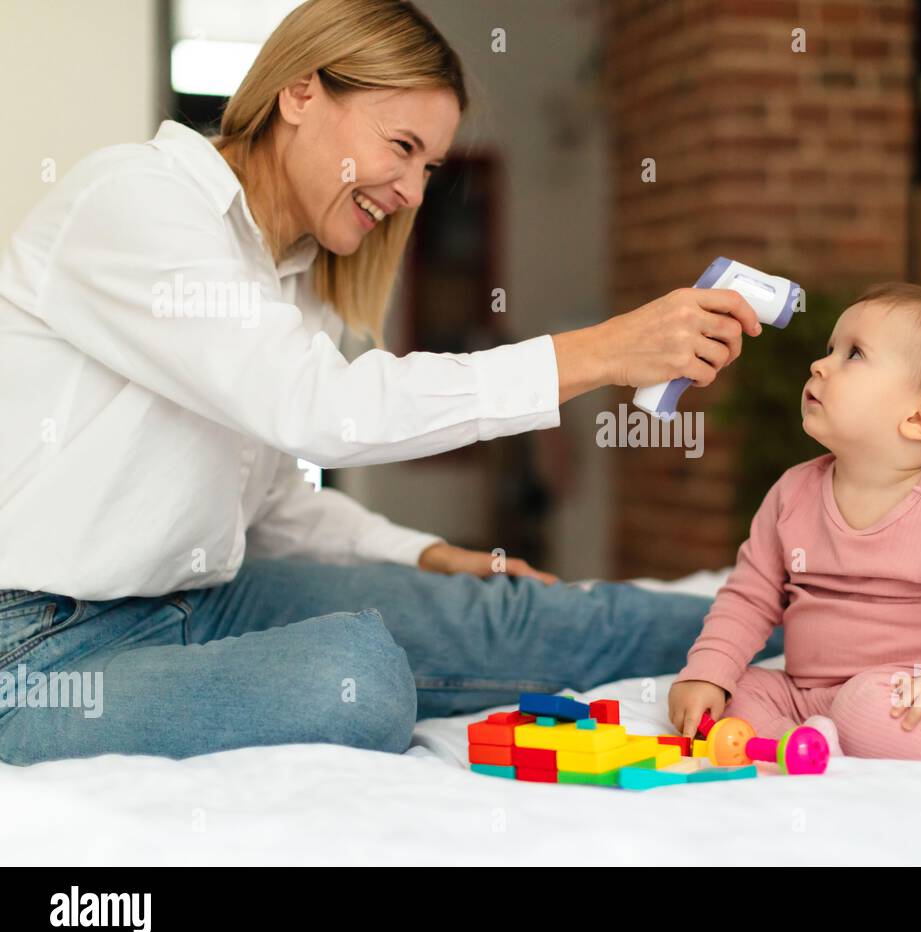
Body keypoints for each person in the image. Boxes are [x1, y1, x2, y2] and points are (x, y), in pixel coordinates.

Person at [0, 0, 780, 766]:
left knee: (519, 615)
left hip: (193, 601)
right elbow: (321, 411)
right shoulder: (139, 201)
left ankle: (830, 624)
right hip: (34, 652)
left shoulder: (299, 281)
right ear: (300, 92)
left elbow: (269, 506)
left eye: (429, 166)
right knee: (357, 678)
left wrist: (424, 553)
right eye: (401, 146)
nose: (412, 190)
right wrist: (601, 353)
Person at [669, 283, 921, 772]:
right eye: (830, 350)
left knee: (863, 705)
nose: (820, 365)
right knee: (743, 689)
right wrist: (709, 672)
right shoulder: (791, 495)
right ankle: (802, 748)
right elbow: (749, 597)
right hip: (805, 694)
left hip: (907, 691)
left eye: (854, 354)